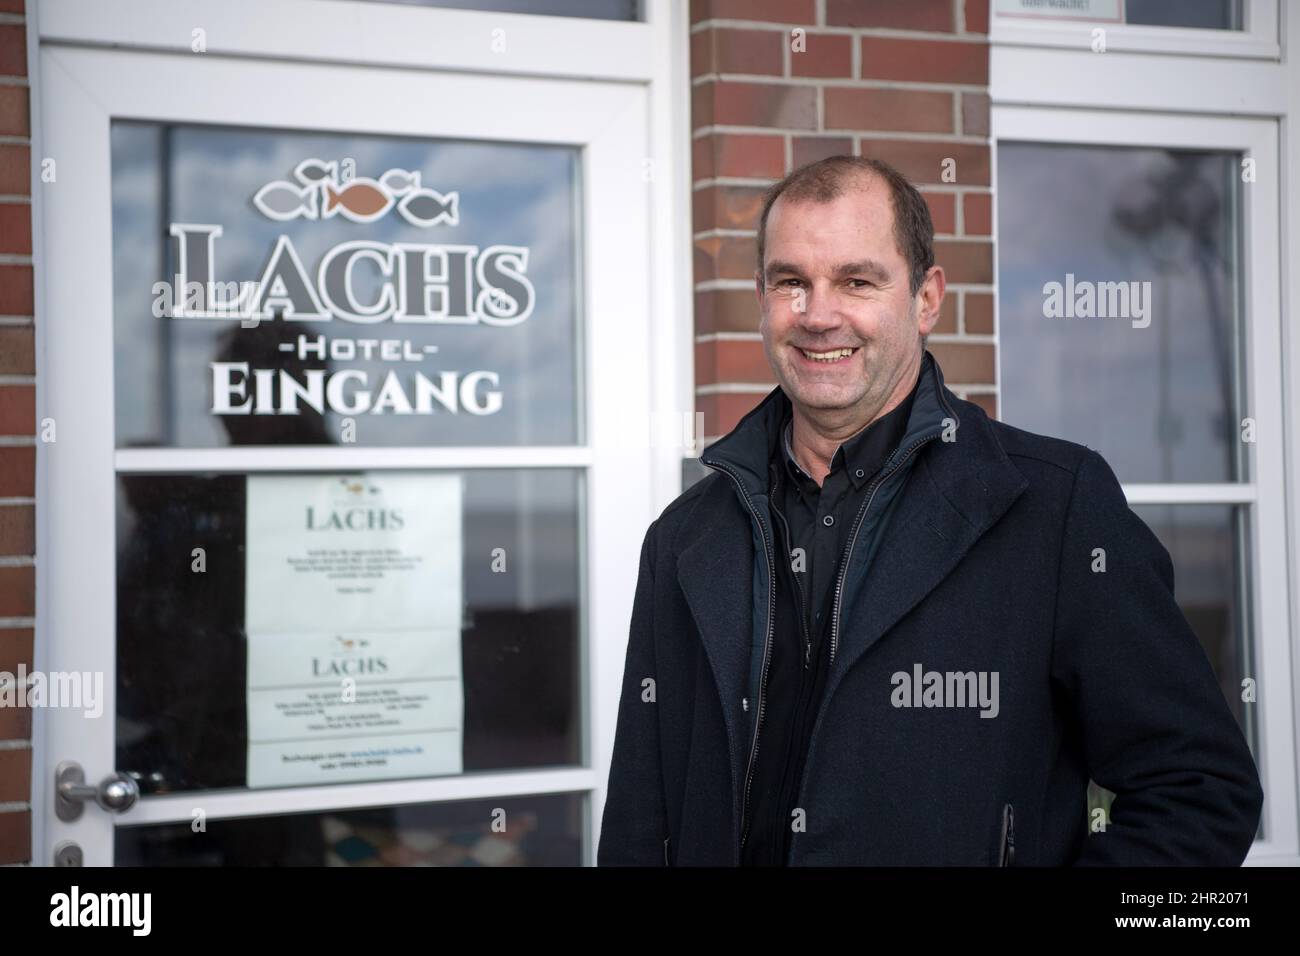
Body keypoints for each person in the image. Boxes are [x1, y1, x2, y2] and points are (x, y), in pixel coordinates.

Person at [597, 155, 1263, 866]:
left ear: (926, 298)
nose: (819, 315)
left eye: (857, 281)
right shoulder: (683, 537)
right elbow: (642, 816)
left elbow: (1198, 788)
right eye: (792, 282)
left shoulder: (1056, 507)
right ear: (761, 297)